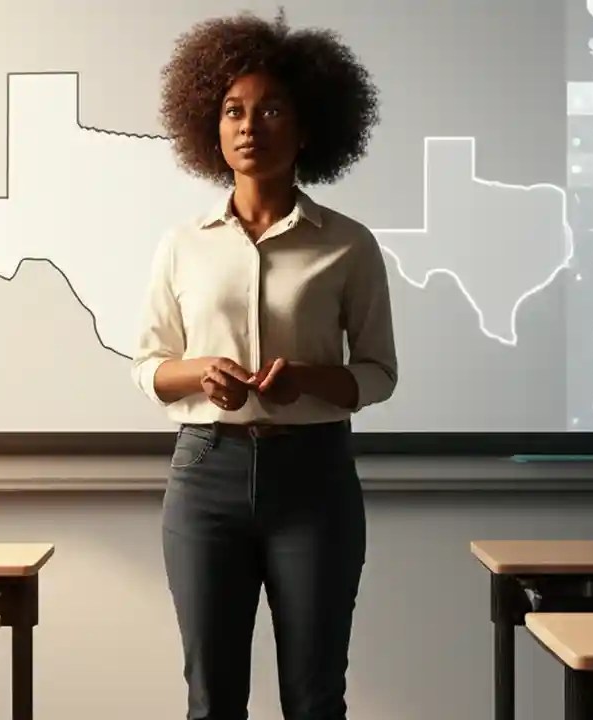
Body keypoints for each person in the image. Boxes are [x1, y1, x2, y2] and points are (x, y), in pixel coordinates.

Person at [130, 10, 398, 720]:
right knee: (211, 700)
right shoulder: (183, 244)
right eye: (233, 111)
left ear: (306, 128)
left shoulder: (349, 245)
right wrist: (198, 373)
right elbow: (149, 365)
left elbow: (376, 372)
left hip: (314, 479)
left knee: (314, 699)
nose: (250, 126)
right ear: (211, 129)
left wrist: (309, 378)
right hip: (204, 476)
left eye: (271, 109)